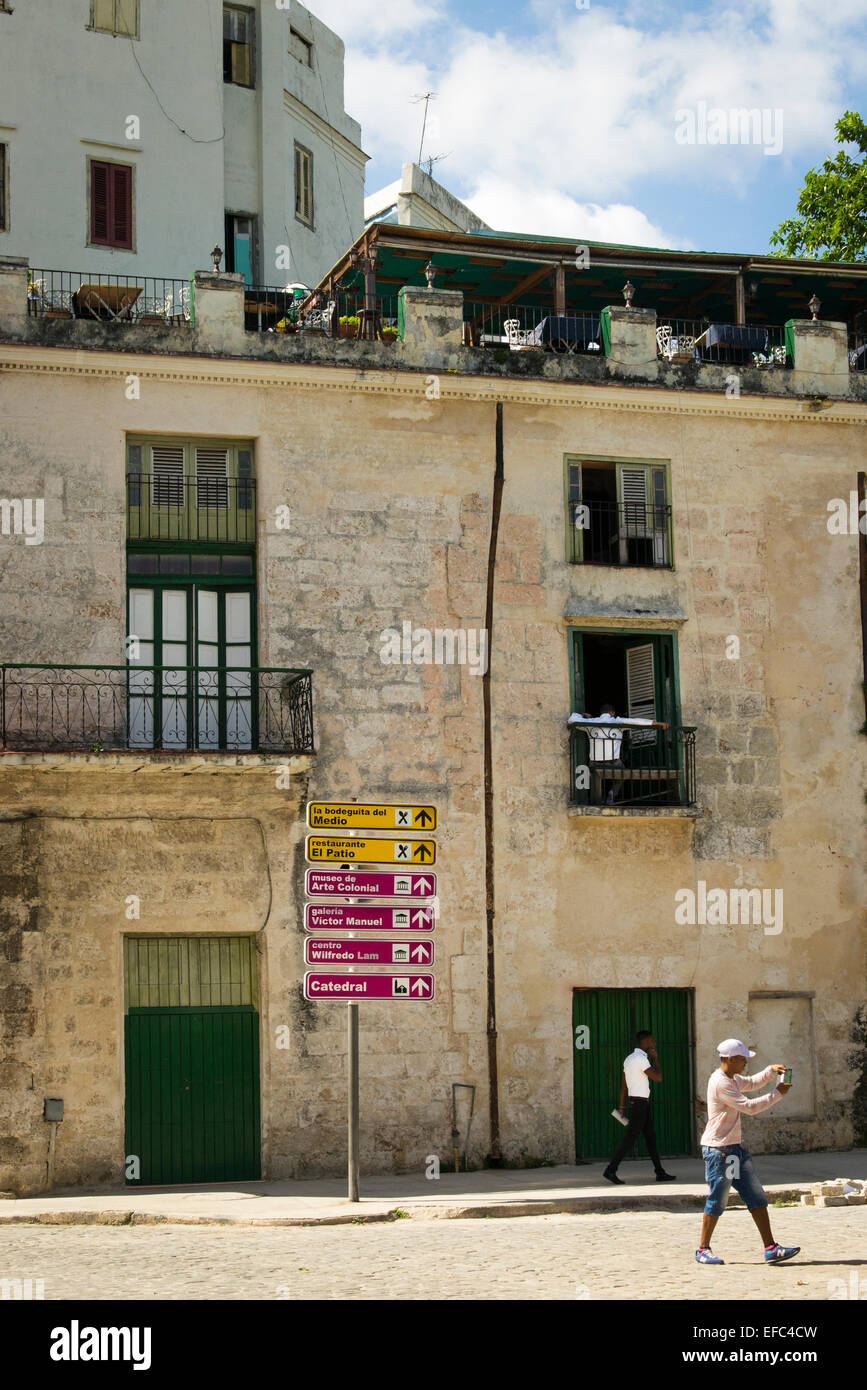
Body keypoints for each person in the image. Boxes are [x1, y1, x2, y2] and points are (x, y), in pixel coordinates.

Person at [695, 1038, 798, 1266]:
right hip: (719, 1151)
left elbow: (751, 1082)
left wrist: (770, 1072)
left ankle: (771, 1248)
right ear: (730, 1059)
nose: (745, 1063)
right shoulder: (721, 1083)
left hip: (733, 1150)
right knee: (717, 1200)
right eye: (742, 1059)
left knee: (756, 1196)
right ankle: (703, 1249)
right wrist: (778, 1093)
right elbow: (749, 1107)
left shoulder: (732, 1077)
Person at [603, 1030, 676, 1184]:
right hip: (640, 1105)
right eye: (652, 1041)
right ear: (647, 1042)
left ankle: (660, 1172)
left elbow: (623, 1086)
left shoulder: (629, 1059)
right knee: (630, 1139)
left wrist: (622, 1106)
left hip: (637, 1103)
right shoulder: (642, 1059)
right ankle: (610, 1170)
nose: (654, 1044)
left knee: (650, 1138)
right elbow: (658, 1077)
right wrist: (656, 1059)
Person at [567, 705, 669, 803]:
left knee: (593, 777)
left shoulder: (591, 722)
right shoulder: (618, 721)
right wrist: (656, 723)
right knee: (623, 773)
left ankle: (596, 800)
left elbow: (572, 719)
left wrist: (583, 715)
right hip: (613, 763)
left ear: (601, 713)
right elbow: (636, 721)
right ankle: (612, 793)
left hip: (595, 763)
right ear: (612, 712)